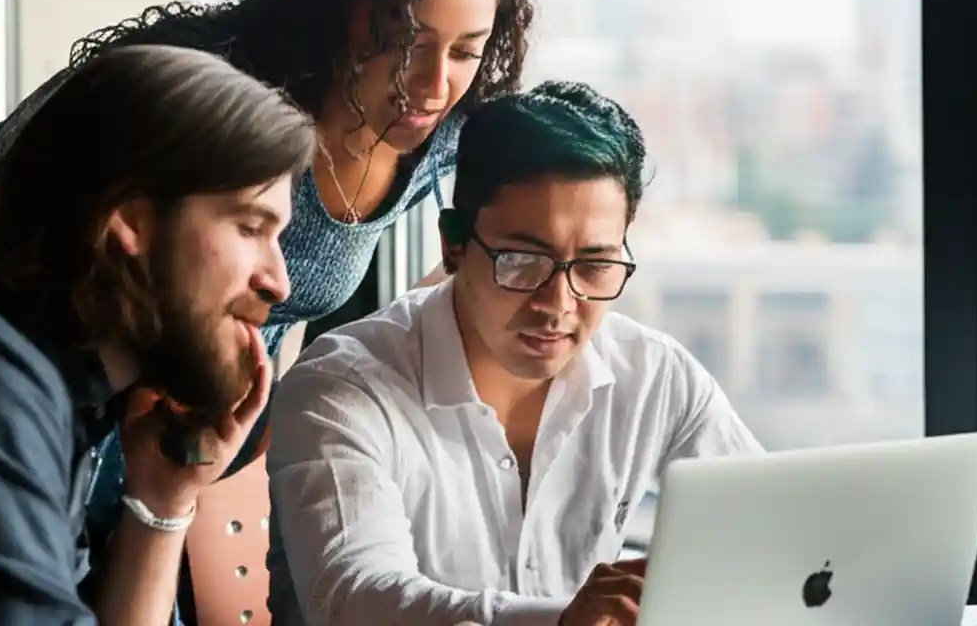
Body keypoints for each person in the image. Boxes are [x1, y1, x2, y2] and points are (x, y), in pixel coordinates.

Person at [0, 0, 534, 600]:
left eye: (465, 52)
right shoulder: (210, 107)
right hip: (19, 355)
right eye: (403, 42)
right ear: (334, 14)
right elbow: (19, 216)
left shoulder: (441, 131)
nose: (431, 85)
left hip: (151, 408)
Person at [267, 81, 763, 626]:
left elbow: (774, 524)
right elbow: (355, 597)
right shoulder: (341, 388)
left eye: (595, 266)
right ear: (453, 244)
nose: (559, 305)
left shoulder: (654, 378)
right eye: (523, 261)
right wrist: (562, 620)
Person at [0, 45, 315, 623]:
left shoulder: (53, 385)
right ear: (131, 220)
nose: (279, 283)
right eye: (250, 227)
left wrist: (165, 496)